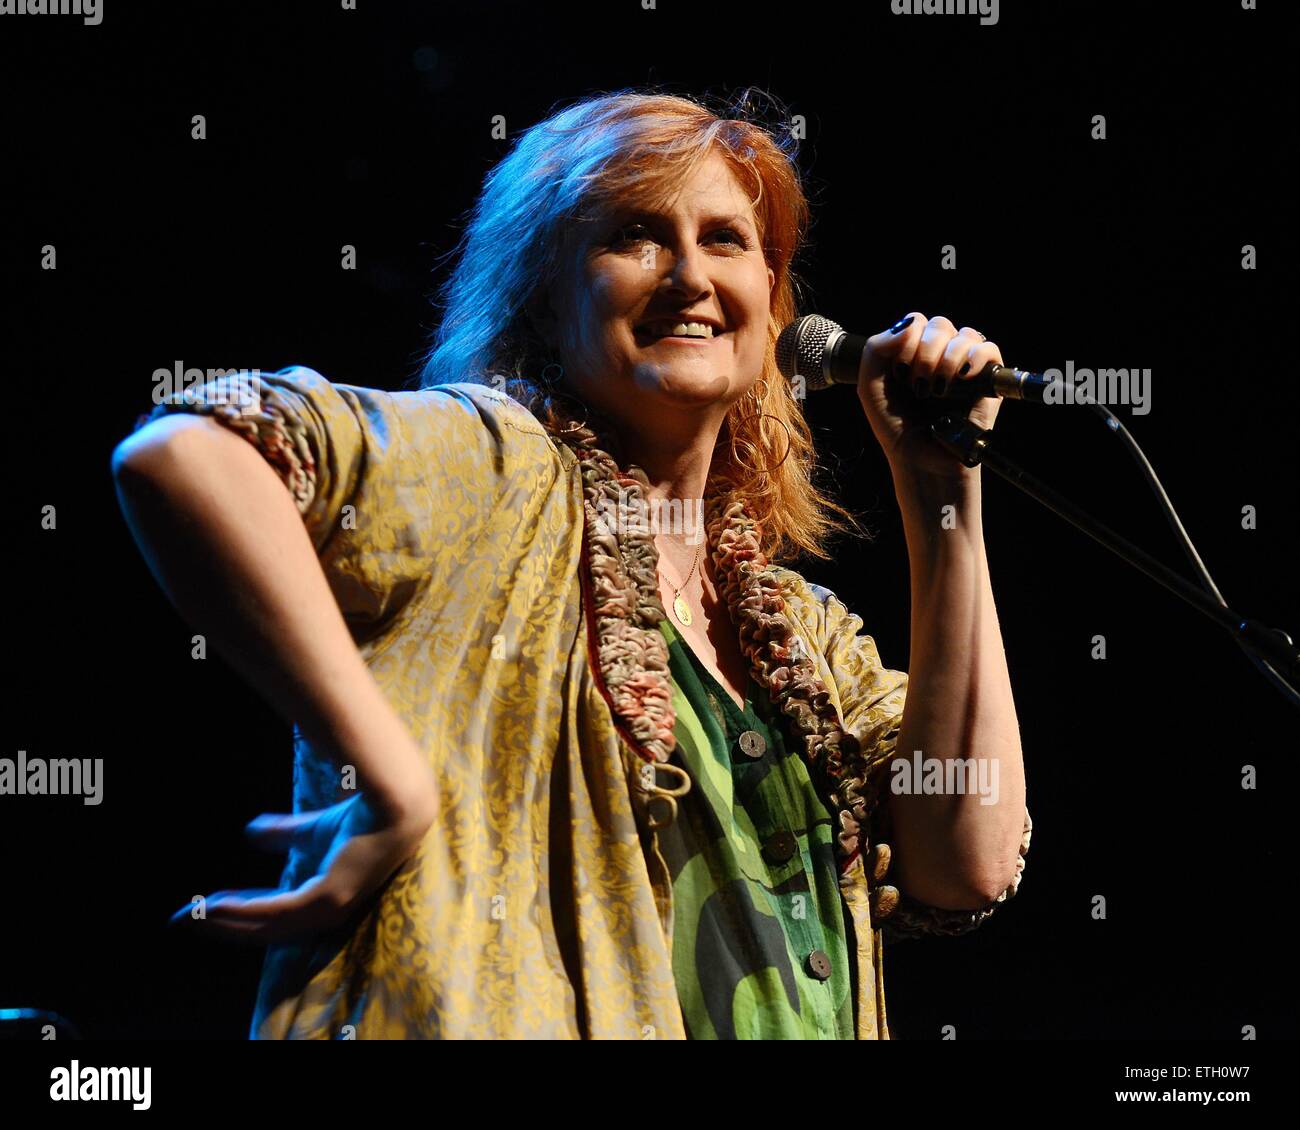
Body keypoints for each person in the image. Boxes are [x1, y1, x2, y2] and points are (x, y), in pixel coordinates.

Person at [112, 88, 1031, 1040]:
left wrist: (942, 486)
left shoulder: (796, 631)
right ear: (545, 299)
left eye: (725, 238)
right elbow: (188, 451)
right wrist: (385, 770)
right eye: (635, 235)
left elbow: (962, 860)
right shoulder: (494, 470)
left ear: (772, 301)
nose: (688, 274)